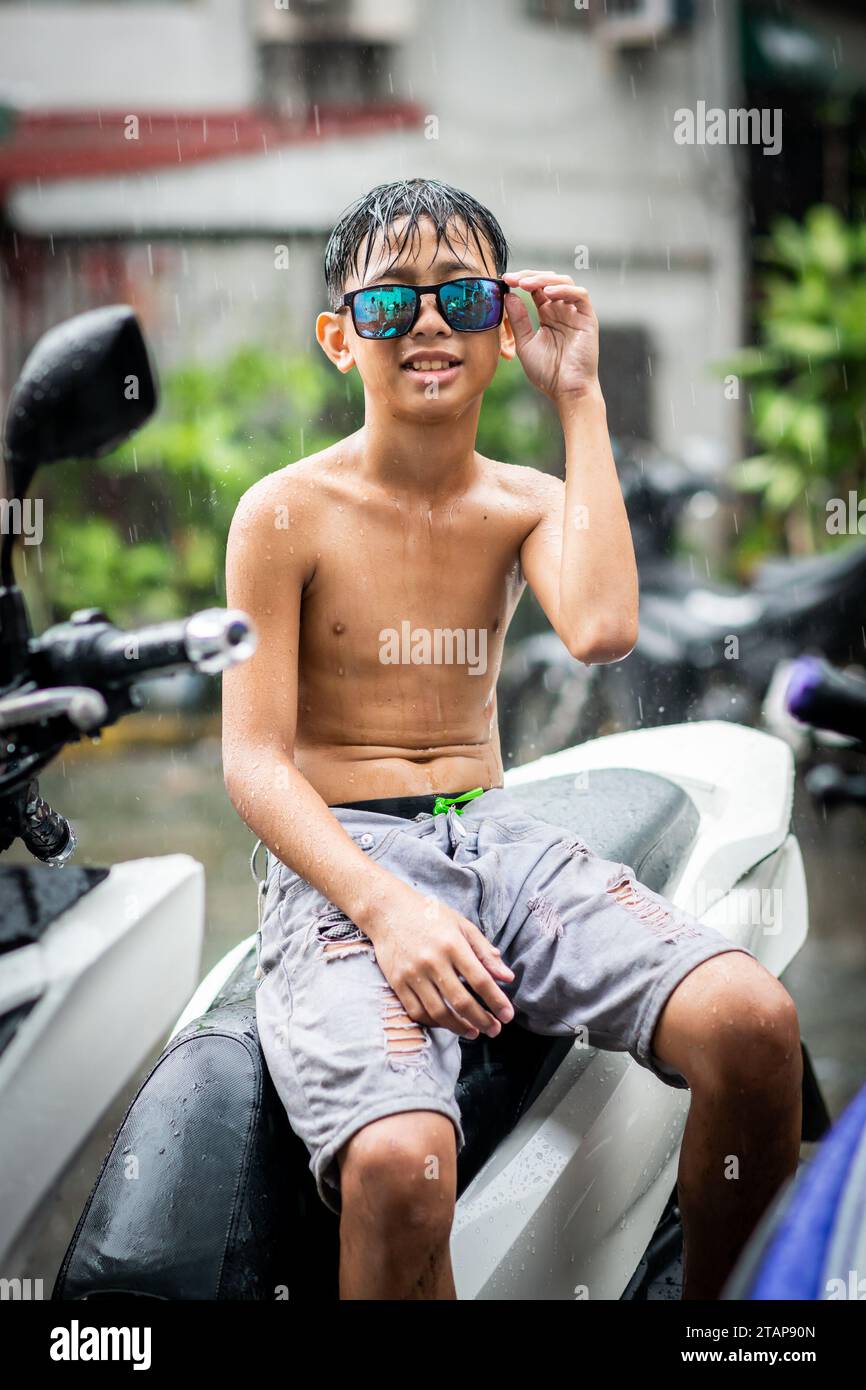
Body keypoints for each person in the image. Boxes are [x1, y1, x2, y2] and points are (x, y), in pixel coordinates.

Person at [221, 177, 802, 1301]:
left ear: (501, 324)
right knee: (398, 1163)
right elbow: (252, 759)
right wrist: (387, 908)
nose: (428, 323)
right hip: (342, 863)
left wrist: (576, 398)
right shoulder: (282, 512)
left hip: (496, 835)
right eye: (390, 305)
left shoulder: (525, 498)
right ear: (341, 339)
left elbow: (600, 627)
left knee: (752, 1023)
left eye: (460, 297)